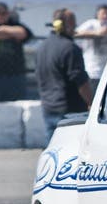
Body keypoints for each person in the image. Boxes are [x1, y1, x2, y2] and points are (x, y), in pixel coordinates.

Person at [35, 8, 93, 144]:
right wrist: (91, 102)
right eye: (73, 25)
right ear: (66, 26)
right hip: (69, 111)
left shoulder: (42, 47)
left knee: (53, 149)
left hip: (48, 107)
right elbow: (80, 80)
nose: (75, 29)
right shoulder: (70, 48)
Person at [0, 2, 33, 102]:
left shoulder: (15, 23)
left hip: (15, 75)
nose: (2, 16)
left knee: (17, 104)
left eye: (4, 13)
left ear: (8, 13)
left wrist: (3, 29)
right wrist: (13, 34)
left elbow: (26, 34)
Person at [75, 4, 107, 92]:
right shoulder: (91, 24)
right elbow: (75, 33)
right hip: (93, 71)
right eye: (103, 13)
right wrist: (96, 33)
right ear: (97, 14)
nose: (105, 16)